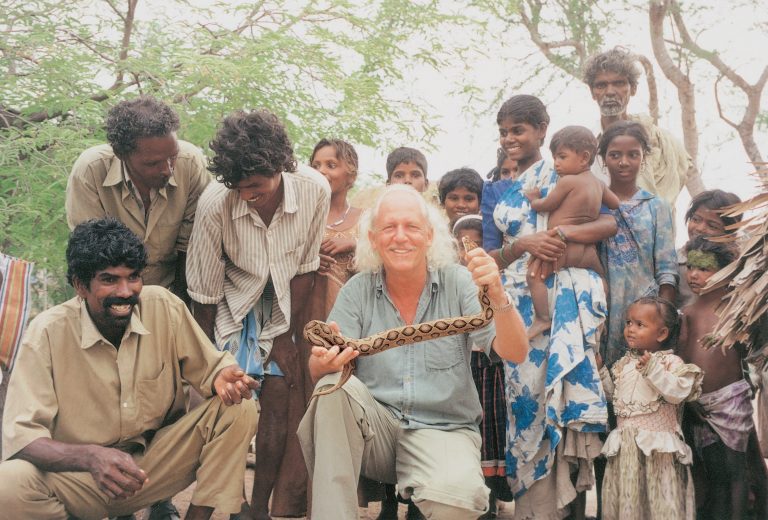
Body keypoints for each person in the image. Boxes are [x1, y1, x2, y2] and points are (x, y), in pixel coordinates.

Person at [0, 218, 258, 520]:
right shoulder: (46, 333)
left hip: (154, 466)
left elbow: (213, 368)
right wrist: (91, 457)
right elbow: (24, 439)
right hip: (83, 478)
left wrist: (222, 377)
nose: (125, 291)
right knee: (9, 484)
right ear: (81, 285)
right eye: (109, 280)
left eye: (133, 277)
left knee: (238, 407)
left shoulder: (163, 306)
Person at [297, 185, 529, 519]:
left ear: (430, 236)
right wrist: (323, 362)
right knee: (331, 389)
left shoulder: (461, 283)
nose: (400, 237)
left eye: (412, 227)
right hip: (378, 430)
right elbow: (316, 368)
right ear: (374, 239)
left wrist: (496, 293)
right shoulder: (357, 291)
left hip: (444, 428)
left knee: (459, 502)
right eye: (389, 228)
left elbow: (515, 351)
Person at [186, 109, 330, 519]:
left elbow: (305, 269)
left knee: (280, 395)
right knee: (234, 403)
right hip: (232, 301)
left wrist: (286, 339)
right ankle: (230, 502)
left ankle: (259, 507)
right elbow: (204, 292)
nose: (248, 195)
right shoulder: (216, 203)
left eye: (257, 187)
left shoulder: (313, 190)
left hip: (285, 301)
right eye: (240, 187)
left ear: (280, 167)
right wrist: (210, 363)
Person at [481, 94, 616, 519]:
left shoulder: (569, 172)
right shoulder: (499, 188)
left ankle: (571, 512)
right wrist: (521, 245)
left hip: (563, 302)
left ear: (542, 129)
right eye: (503, 132)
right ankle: (533, 511)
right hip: (516, 308)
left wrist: (561, 238)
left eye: (518, 130)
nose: (509, 139)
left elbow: (609, 223)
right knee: (525, 408)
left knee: (560, 401)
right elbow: (488, 257)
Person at [66, 96, 210, 304]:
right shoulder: (90, 170)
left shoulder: (191, 164)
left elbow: (191, 249)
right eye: (153, 163)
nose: (167, 170)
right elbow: (92, 255)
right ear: (121, 154)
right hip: (108, 299)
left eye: (173, 157)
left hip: (170, 293)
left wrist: (175, 309)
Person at [597, 296, 702, 520]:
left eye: (640, 324)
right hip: (626, 450)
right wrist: (601, 373)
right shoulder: (623, 364)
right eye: (628, 323)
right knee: (629, 501)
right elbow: (614, 397)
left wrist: (653, 370)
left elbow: (676, 393)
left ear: (662, 333)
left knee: (660, 503)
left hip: (658, 453)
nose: (631, 329)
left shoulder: (671, 364)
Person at [678, 236, 758, 519]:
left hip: (732, 403)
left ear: (727, 272)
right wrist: (688, 401)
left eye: (705, 268)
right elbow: (680, 363)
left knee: (737, 472)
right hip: (698, 407)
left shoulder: (736, 311)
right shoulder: (685, 314)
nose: (694, 274)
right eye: (691, 267)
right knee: (713, 475)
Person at [597, 120, 678, 369]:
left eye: (633, 154)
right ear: (603, 159)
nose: (624, 162)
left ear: (644, 158)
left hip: (644, 312)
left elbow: (667, 268)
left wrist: (660, 317)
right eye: (615, 155)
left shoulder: (657, 206)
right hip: (602, 307)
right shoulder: (594, 203)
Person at [524, 125, 619, 338]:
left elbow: (547, 205)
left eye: (562, 157)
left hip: (561, 246)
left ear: (584, 158)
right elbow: (615, 204)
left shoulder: (567, 181)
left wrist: (534, 199)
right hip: (587, 252)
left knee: (534, 277)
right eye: (555, 157)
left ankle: (542, 319)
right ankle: (599, 318)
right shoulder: (599, 184)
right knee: (601, 280)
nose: (556, 163)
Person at [582, 47, 704, 206]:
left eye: (619, 83)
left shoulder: (659, 142)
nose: (610, 92)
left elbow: (665, 200)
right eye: (601, 85)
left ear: (633, 89)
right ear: (592, 92)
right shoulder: (584, 144)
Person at [453, 214, 514, 519]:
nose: (470, 251)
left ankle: (490, 498)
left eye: (477, 243)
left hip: (492, 366)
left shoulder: (500, 283)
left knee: (491, 428)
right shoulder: (451, 283)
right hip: (465, 366)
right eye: (464, 244)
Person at [307, 138, 363, 325]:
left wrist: (355, 244)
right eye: (316, 166)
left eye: (331, 165)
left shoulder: (366, 220)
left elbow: (383, 262)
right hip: (304, 317)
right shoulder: (300, 217)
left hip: (351, 321)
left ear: (351, 176)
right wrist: (309, 260)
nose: (321, 171)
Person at [677, 190, 742, 307]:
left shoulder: (741, 268)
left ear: (730, 234)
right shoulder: (672, 263)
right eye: (696, 219)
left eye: (712, 226)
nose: (700, 228)